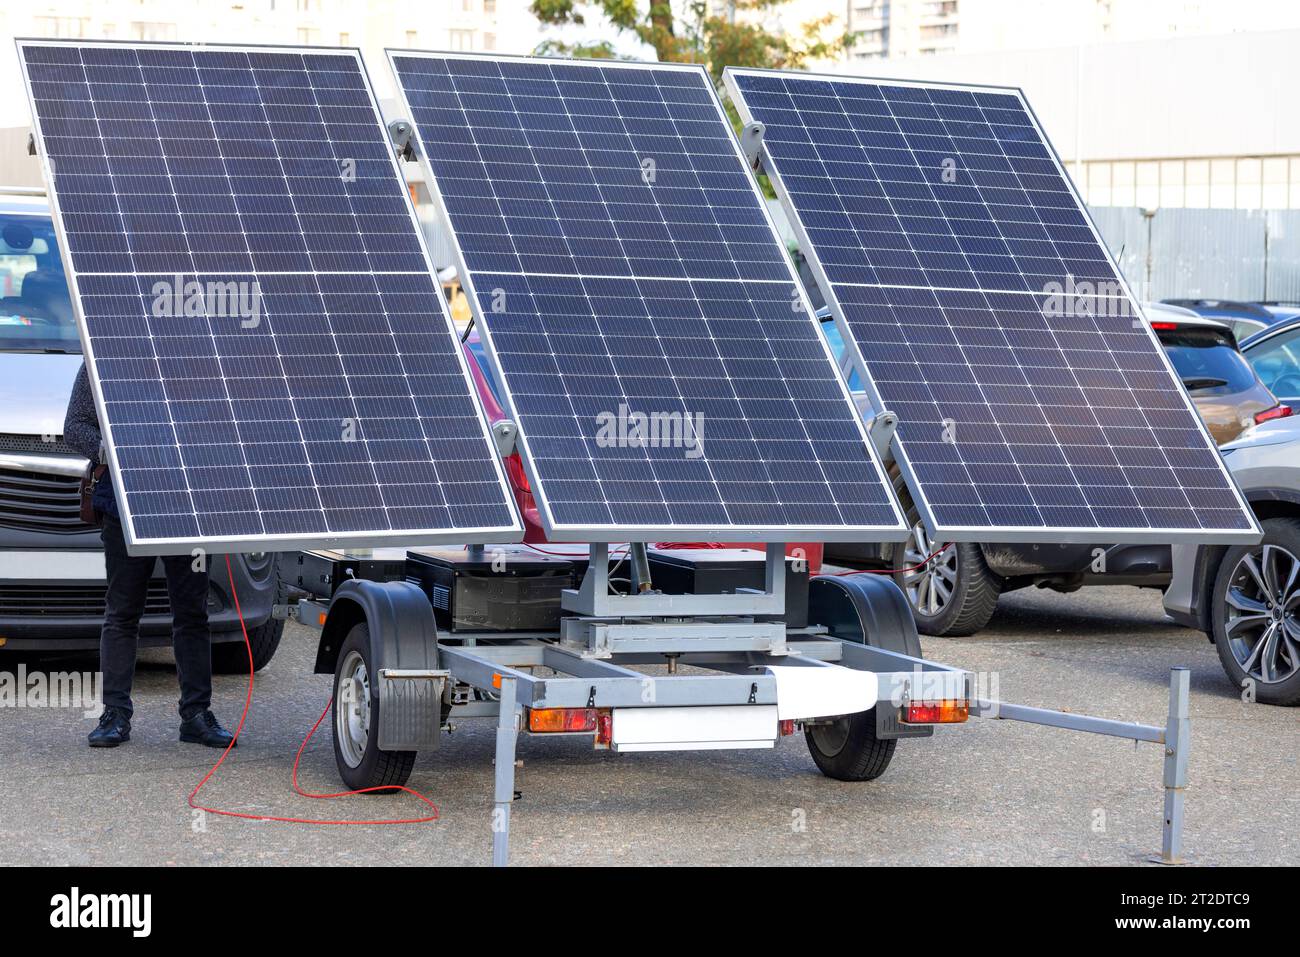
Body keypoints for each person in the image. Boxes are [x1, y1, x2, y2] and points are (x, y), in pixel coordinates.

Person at [63, 364, 236, 749]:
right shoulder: (102, 352)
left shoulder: (198, 357)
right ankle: (115, 715)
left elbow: (226, 419)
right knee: (123, 611)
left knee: (193, 613)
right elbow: (74, 427)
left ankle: (196, 716)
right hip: (124, 505)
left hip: (189, 506)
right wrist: (116, 450)